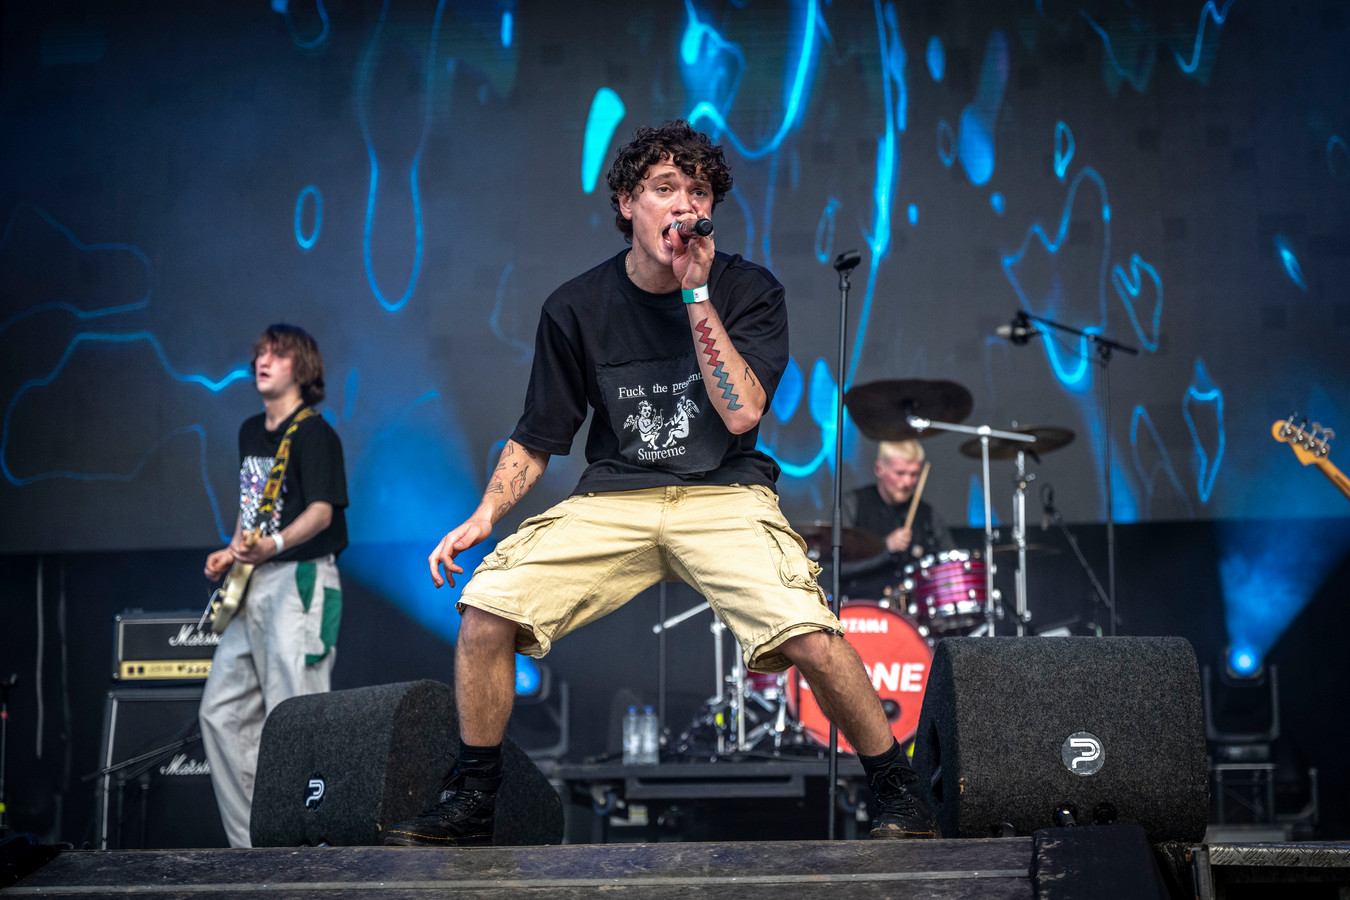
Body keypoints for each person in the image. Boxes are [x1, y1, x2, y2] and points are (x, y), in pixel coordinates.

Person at [384, 121, 937, 847]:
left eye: (698, 189)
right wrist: (486, 512)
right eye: (664, 188)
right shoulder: (574, 308)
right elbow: (538, 434)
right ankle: (473, 799)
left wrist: (696, 294)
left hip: (724, 495)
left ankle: (900, 792)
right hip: (616, 500)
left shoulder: (748, 290)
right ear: (626, 204)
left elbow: (741, 409)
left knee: (811, 635)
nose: (683, 203)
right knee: (485, 609)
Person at [199, 323, 348, 848]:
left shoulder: (315, 434)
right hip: (255, 581)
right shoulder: (249, 432)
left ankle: (311, 851)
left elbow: (322, 512)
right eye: (259, 351)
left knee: (296, 719)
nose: (262, 360)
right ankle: (257, 848)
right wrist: (232, 549)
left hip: (300, 580)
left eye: (276, 354)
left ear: (301, 369)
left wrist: (274, 546)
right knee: (220, 712)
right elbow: (252, 512)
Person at [839, 439, 956, 598]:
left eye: (914, 474)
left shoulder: (927, 515)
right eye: (900, 473)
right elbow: (839, 566)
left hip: (914, 613)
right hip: (864, 609)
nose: (907, 482)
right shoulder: (854, 505)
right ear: (879, 469)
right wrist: (885, 547)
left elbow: (950, 565)